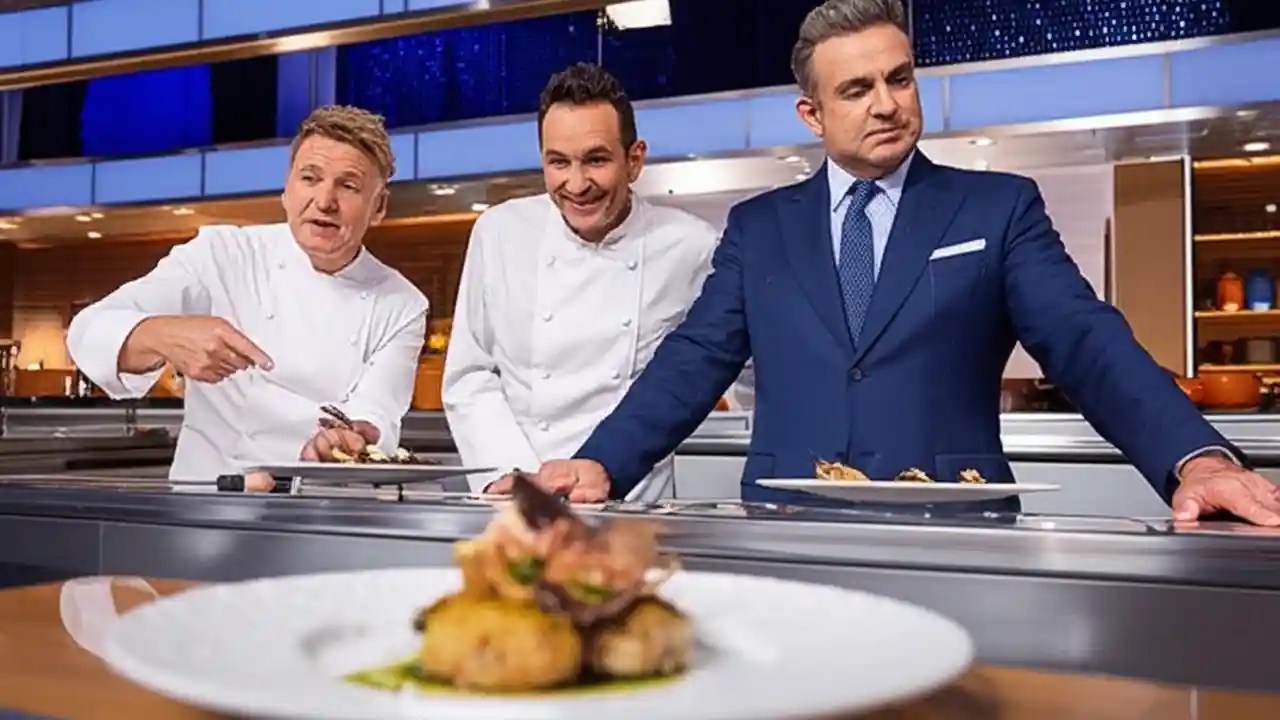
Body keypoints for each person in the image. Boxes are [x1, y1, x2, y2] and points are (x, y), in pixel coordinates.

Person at [522, 0, 1280, 525]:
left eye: (899, 78)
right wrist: (602, 462)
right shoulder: (759, 229)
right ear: (812, 115)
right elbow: (692, 360)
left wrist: (1197, 460)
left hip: (957, 534)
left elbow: (1086, 341)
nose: (886, 103)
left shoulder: (997, 210)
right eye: (856, 89)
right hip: (790, 532)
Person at [67, 105, 428, 490]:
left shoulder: (402, 304)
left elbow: (378, 411)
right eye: (310, 178)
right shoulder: (221, 254)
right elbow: (88, 330)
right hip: (207, 499)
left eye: (349, 186)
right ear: (286, 189)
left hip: (321, 504)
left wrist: (348, 440)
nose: (324, 201)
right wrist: (161, 335)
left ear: (379, 206)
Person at [442, 63, 729, 502]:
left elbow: (723, 361)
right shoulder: (499, 232)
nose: (576, 184)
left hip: (632, 502)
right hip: (515, 493)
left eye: (596, 160)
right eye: (558, 162)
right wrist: (509, 474)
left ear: (635, 160)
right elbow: (470, 372)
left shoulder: (691, 245)